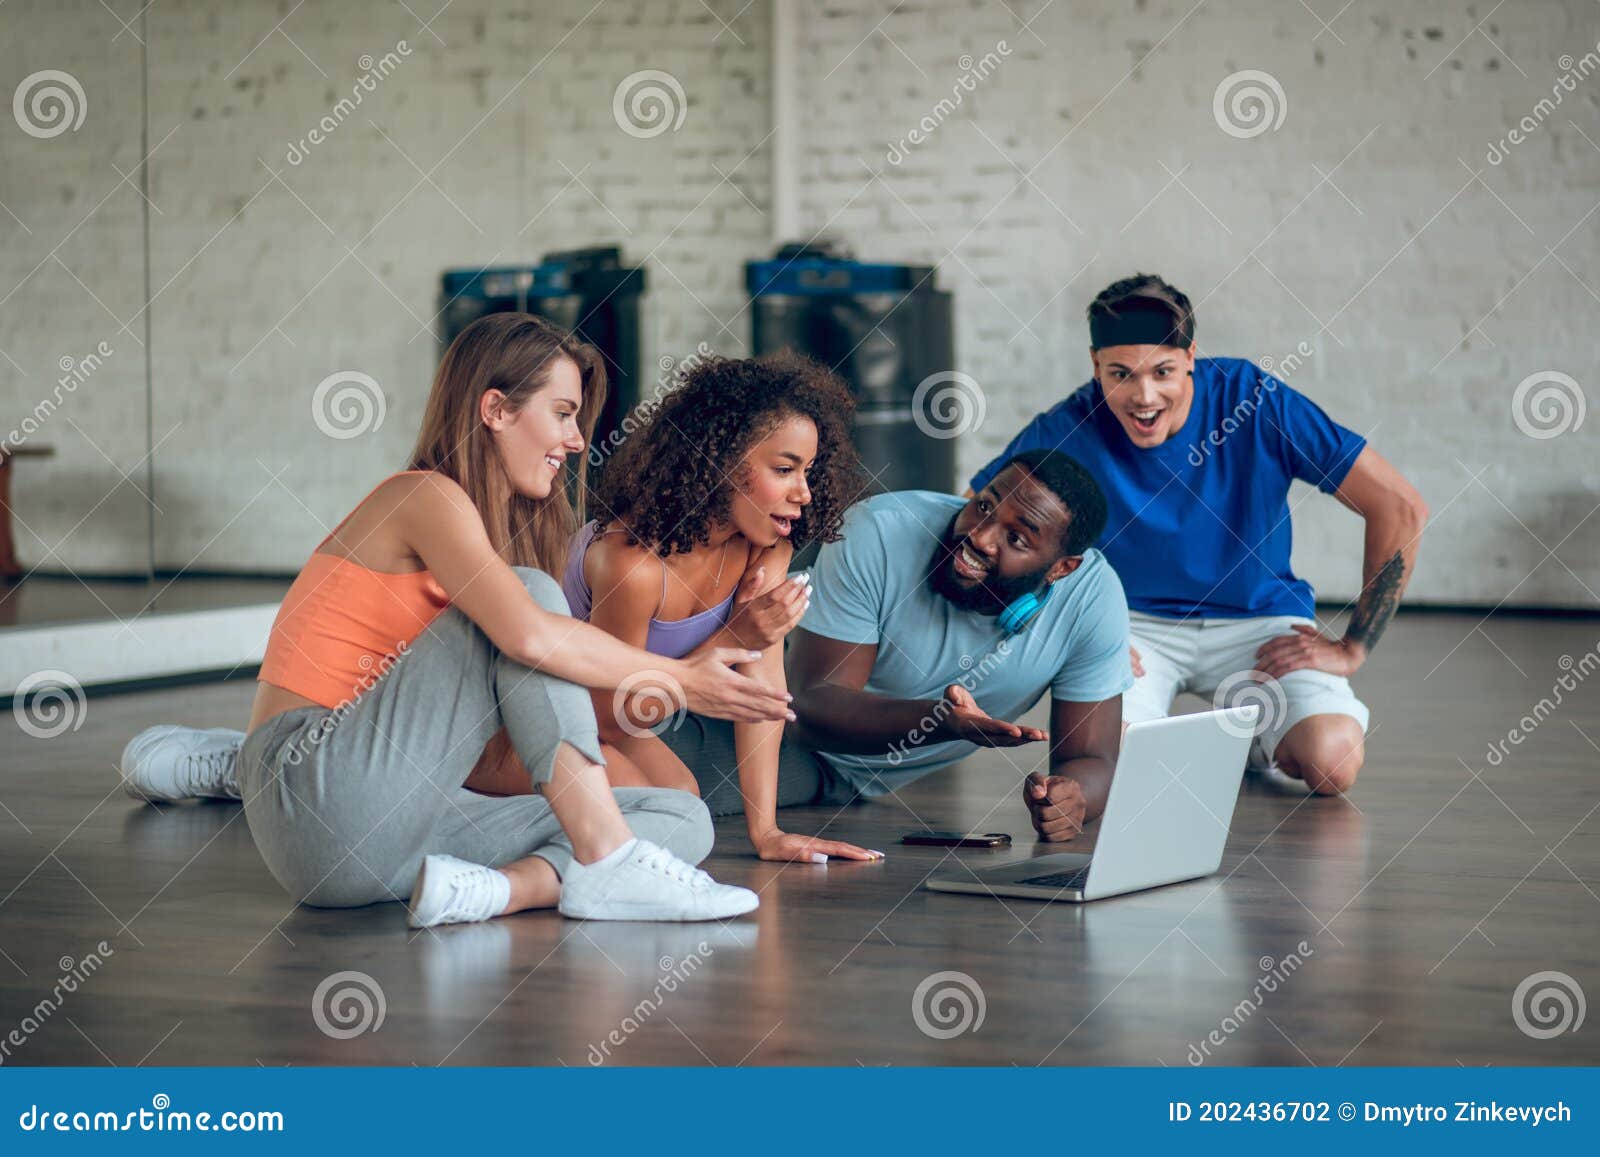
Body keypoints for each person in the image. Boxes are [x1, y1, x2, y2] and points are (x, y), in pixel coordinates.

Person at [123, 314, 793, 926]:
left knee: (683, 815)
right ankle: (605, 858)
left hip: (392, 845)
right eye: (562, 413)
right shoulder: (420, 497)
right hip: (313, 796)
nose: (577, 438)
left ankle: (505, 889)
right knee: (529, 600)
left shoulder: (506, 535)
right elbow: (530, 634)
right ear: (496, 409)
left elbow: (509, 736)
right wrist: (681, 677)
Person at [968, 274, 1429, 795]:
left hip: (1257, 622)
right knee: (1105, 770)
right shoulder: (1070, 425)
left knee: (1332, 761)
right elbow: (972, 523)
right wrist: (1055, 616)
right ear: (1095, 365)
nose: (1143, 397)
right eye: (1120, 374)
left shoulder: (1253, 400)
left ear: (1191, 356)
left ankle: (1254, 743)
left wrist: (1355, 646)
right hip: (1130, 627)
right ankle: (1169, 740)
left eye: (1162, 371)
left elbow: (1398, 505)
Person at [659, 449, 1134, 843]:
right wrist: (941, 722)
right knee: (642, 787)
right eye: (985, 507)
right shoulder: (881, 530)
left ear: (1060, 569)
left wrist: (1074, 799)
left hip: (842, 778)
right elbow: (810, 706)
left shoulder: (1093, 599)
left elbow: (1092, 759)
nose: (979, 536)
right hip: (759, 714)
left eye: (1015, 538)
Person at [561, 352, 884, 864]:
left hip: (643, 718)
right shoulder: (633, 565)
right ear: (718, 461)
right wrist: (735, 638)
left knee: (686, 811)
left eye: (808, 470)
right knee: (668, 817)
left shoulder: (765, 545)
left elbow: (763, 686)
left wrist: (768, 832)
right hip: (556, 713)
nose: (803, 493)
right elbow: (612, 718)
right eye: (784, 469)